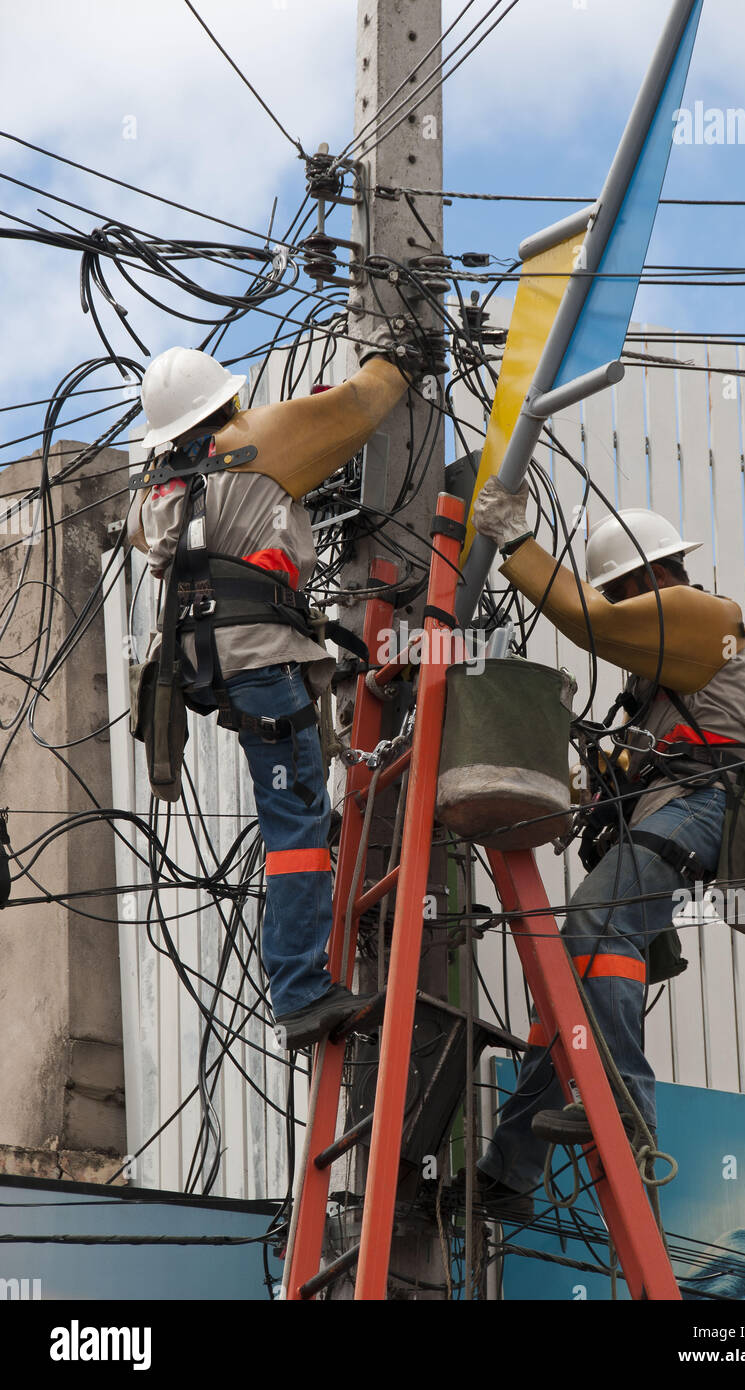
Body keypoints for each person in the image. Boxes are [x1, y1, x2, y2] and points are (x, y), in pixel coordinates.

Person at [469, 477, 745, 1214]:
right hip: (671, 812)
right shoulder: (652, 681)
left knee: (596, 928)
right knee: (568, 984)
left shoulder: (705, 616)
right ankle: (510, 1170)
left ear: (650, 578)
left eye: (626, 592)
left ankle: (628, 1114)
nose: (625, 610)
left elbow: (588, 621)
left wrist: (514, 543)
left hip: (701, 806)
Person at [129, 329, 420, 1049]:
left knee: (300, 807)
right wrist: (398, 358)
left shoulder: (158, 489)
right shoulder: (260, 438)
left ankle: (322, 903)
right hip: (262, 658)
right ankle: (299, 990)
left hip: (208, 665)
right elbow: (358, 406)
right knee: (292, 831)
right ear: (227, 399)